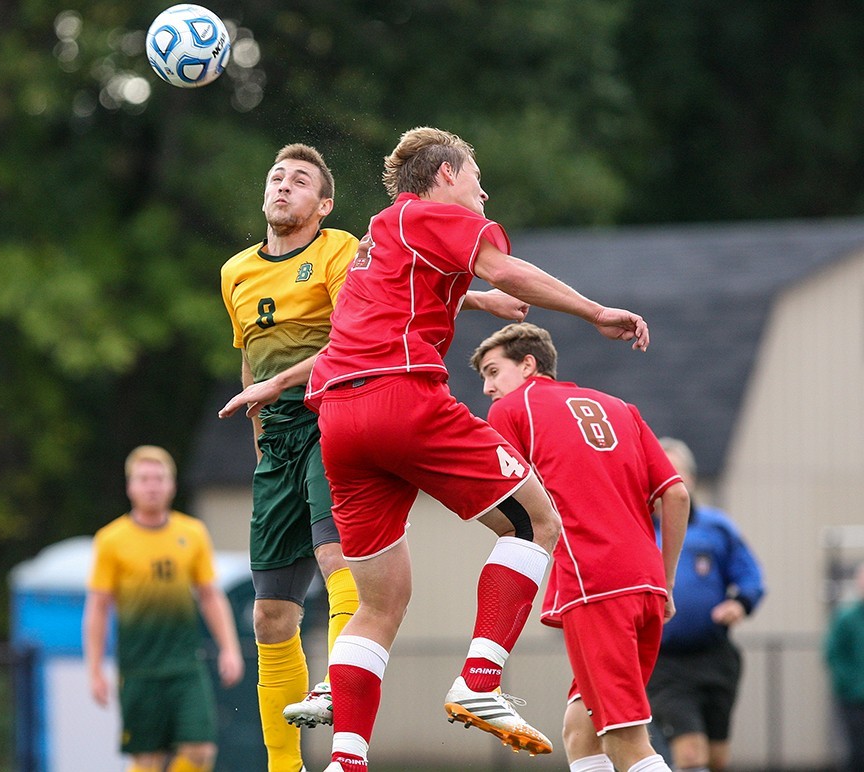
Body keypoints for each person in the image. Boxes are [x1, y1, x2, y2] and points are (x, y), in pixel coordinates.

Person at [301, 126, 651, 772]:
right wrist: (595, 310)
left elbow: (397, 304)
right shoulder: (431, 214)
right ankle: (481, 679)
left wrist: (476, 298)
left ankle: (344, 761)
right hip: (400, 397)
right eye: (475, 176)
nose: (482, 190)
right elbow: (506, 265)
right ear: (443, 178)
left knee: (379, 602)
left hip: (338, 423)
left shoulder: (379, 237)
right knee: (537, 519)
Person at [216, 143, 528, 772]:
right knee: (271, 612)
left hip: (332, 412)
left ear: (324, 204)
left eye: (300, 180)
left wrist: (478, 297)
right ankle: (284, 765)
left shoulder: (338, 247)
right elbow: (251, 360)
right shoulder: (235, 272)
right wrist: (261, 431)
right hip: (278, 439)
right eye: (275, 176)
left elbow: (376, 302)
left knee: (340, 560)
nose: (282, 186)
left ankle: (338, 681)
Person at [470, 322, 689, 772]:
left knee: (627, 743)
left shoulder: (514, 409)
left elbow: (501, 500)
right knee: (579, 729)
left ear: (528, 364)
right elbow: (677, 495)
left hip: (596, 584)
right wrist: (665, 581)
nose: (489, 387)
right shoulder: (620, 408)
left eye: (494, 372)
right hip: (645, 585)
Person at [82, 445, 244, 772]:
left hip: (186, 665)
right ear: (130, 487)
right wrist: (95, 668)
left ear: (172, 485)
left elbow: (210, 595)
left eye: (159, 478)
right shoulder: (111, 539)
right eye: (144, 479)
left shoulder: (192, 532)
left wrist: (230, 648)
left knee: (200, 750)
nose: (152, 486)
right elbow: (98, 607)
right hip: (138, 669)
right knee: (148, 759)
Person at [647, 437, 766, 772]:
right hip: (664, 661)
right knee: (689, 753)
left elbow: (750, 575)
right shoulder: (638, 529)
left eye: (675, 472)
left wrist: (740, 604)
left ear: (692, 479)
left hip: (715, 656)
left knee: (716, 758)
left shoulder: (716, 528)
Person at [825, 562, 864, 772]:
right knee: (858, 750)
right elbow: (833, 654)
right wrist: (850, 684)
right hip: (853, 698)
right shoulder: (846, 617)